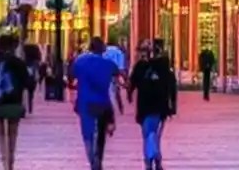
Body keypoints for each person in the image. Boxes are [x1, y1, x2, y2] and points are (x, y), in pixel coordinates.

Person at [127, 39, 177, 170]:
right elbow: (172, 87)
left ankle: (150, 160)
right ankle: (155, 159)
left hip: (145, 106)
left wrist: (129, 95)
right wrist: (173, 106)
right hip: (160, 107)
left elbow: (131, 84)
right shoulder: (165, 68)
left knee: (148, 134)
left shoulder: (140, 67)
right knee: (154, 134)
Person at [72, 37, 119, 170]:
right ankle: (98, 157)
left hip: (85, 103)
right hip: (103, 103)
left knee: (87, 134)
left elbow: (72, 77)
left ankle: (93, 159)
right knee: (101, 135)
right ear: (103, 49)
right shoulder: (109, 64)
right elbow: (118, 76)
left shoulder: (80, 62)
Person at [0, 34, 30, 170]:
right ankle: (10, 161)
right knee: (12, 134)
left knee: (0, 135)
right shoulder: (19, 62)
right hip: (14, 103)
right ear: (14, 46)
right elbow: (27, 82)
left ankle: (4, 159)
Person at [103, 37, 128, 115]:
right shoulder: (119, 52)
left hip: (104, 74)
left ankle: (106, 108)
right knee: (117, 92)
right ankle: (120, 108)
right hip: (114, 74)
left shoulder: (103, 52)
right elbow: (121, 68)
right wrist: (125, 79)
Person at [22, 43, 42, 114]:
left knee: (23, 93)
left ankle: (25, 107)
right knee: (30, 94)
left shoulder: (23, 60)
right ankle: (30, 107)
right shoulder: (36, 62)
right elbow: (37, 72)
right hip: (32, 80)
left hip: (24, 78)